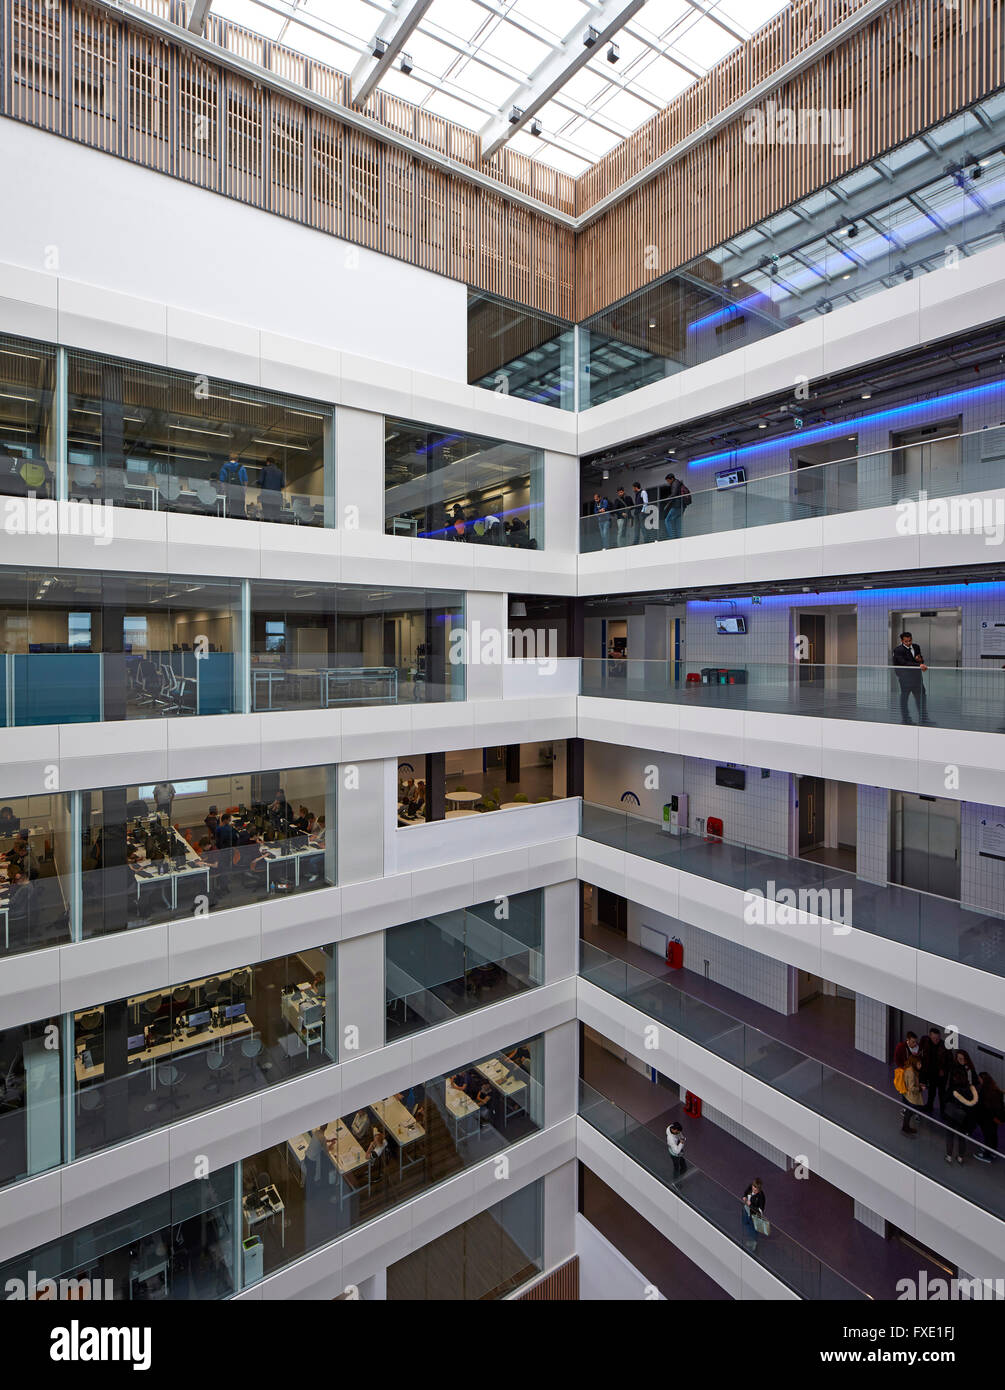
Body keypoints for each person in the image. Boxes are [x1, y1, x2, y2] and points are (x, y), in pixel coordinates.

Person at [943, 1052, 979, 1164]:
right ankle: (960, 1157)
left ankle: (949, 1156)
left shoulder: (953, 1089)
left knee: (950, 1134)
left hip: (952, 1112)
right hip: (963, 1113)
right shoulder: (970, 1089)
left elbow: (947, 1095)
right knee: (961, 1136)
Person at [892, 631, 934, 725]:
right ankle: (906, 720)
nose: (908, 643)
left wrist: (920, 660)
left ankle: (924, 719)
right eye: (906, 641)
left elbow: (920, 660)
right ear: (902, 641)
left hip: (917, 679)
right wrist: (919, 665)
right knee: (904, 700)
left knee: (922, 699)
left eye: (910, 640)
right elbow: (903, 663)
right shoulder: (898, 650)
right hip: (905, 679)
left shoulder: (916, 647)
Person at [894, 1031, 923, 1134]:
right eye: (913, 1042)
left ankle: (910, 1110)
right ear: (908, 1040)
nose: (915, 1044)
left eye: (916, 1042)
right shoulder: (901, 1047)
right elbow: (897, 1059)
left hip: (912, 1074)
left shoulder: (918, 1049)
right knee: (907, 1094)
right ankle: (907, 1110)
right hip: (906, 1073)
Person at [919, 1025, 949, 1116]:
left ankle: (943, 1111)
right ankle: (929, 1106)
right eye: (934, 1038)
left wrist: (944, 1070)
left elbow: (949, 1061)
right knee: (931, 1092)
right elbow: (921, 1053)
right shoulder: (925, 1042)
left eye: (938, 1038)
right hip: (931, 1072)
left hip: (941, 1075)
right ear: (930, 1036)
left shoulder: (945, 1046)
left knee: (941, 1094)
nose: (936, 1040)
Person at [974, 1072, 1003, 1161]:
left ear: (983, 1080)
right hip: (995, 1118)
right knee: (993, 1134)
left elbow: (983, 1106)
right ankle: (992, 1151)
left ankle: (987, 1155)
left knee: (988, 1135)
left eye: (979, 1078)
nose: (979, 1080)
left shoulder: (984, 1091)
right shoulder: (996, 1090)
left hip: (986, 1118)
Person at [741, 1178, 766, 1251]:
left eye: (756, 1190)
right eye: (753, 1187)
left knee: (753, 1229)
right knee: (746, 1224)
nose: (754, 1190)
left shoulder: (761, 1197)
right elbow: (746, 1192)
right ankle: (751, 1240)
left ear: (759, 1189)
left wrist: (750, 1205)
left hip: (754, 1215)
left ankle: (754, 1242)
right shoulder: (750, 1187)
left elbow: (760, 1211)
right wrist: (744, 1196)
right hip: (746, 1211)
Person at [664, 472, 690, 540]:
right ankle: (678, 537)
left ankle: (672, 536)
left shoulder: (675, 483)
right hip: (682, 506)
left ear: (672, 479)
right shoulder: (679, 483)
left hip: (677, 506)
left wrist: (666, 500)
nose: (668, 482)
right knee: (678, 521)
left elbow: (674, 494)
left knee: (667, 520)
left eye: (668, 480)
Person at [258, 456, 285, 522]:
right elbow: (283, 484)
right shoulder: (280, 472)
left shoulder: (264, 469)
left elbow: (260, 481)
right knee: (276, 515)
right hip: (277, 497)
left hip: (266, 496)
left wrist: (256, 482)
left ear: (268, 462)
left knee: (266, 514)